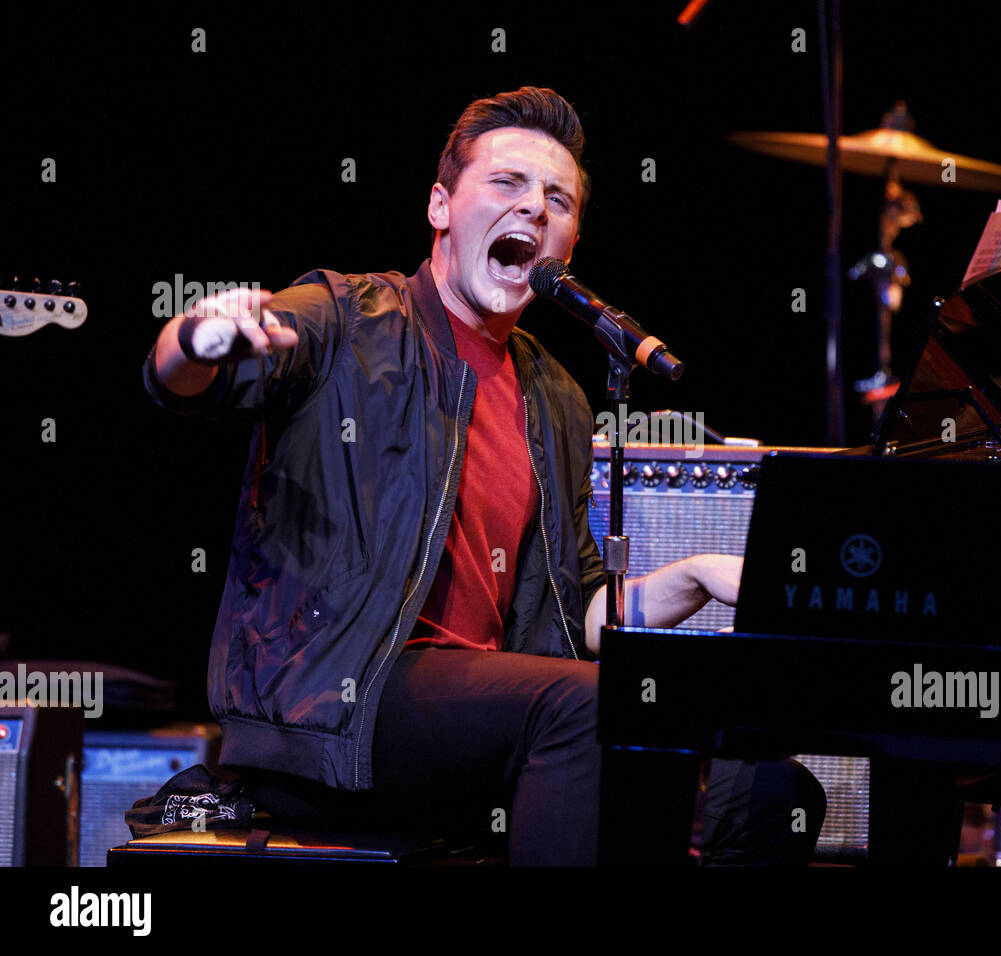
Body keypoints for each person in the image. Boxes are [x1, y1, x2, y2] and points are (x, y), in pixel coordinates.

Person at [142, 86, 825, 865]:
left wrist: (697, 575)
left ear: (569, 242)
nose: (534, 208)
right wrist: (195, 338)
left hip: (489, 721)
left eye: (558, 200)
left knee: (772, 792)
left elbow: (580, 607)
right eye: (508, 184)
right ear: (441, 206)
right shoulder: (349, 316)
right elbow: (182, 382)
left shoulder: (556, 397)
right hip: (341, 707)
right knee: (586, 709)